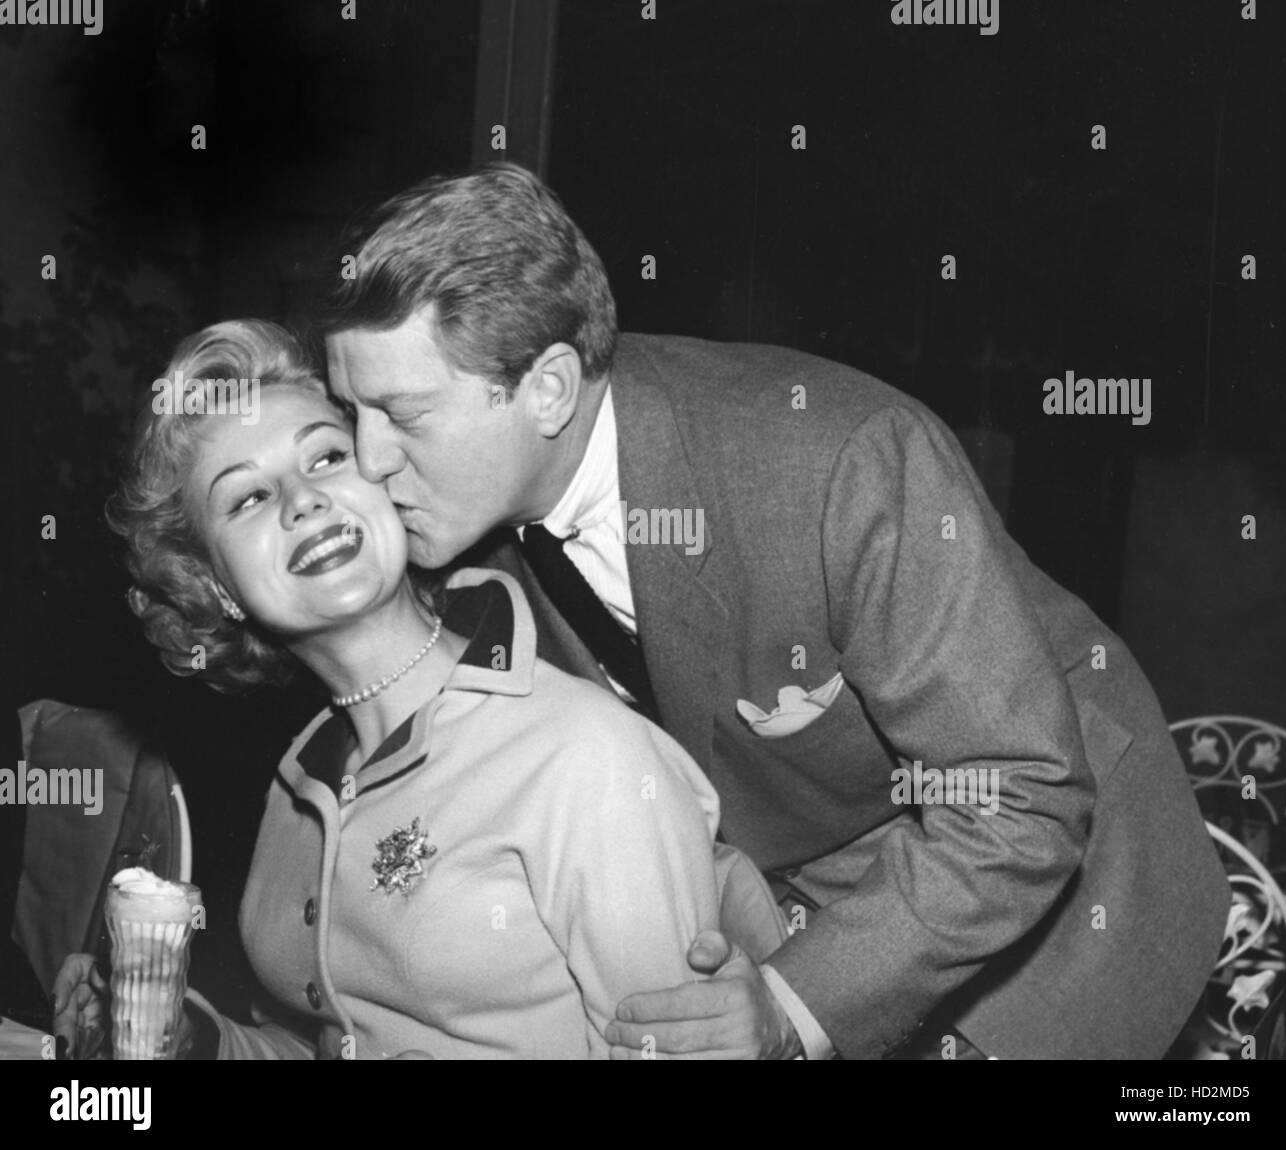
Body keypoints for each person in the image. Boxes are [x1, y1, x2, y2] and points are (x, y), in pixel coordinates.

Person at [318, 162, 1232, 1060]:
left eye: (402, 415)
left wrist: (794, 1003)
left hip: (1055, 876)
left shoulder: (837, 465)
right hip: (825, 875)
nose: (369, 458)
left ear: (548, 389)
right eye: (349, 412)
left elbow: (1019, 794)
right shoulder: (458, 532)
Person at [52, 319, 788, 1060]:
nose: (303, 500)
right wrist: (195, 1039)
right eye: (247, 499)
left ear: (387, 477)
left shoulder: (586, 758)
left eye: (328, 456)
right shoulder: (296, 786)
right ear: (217, 586)